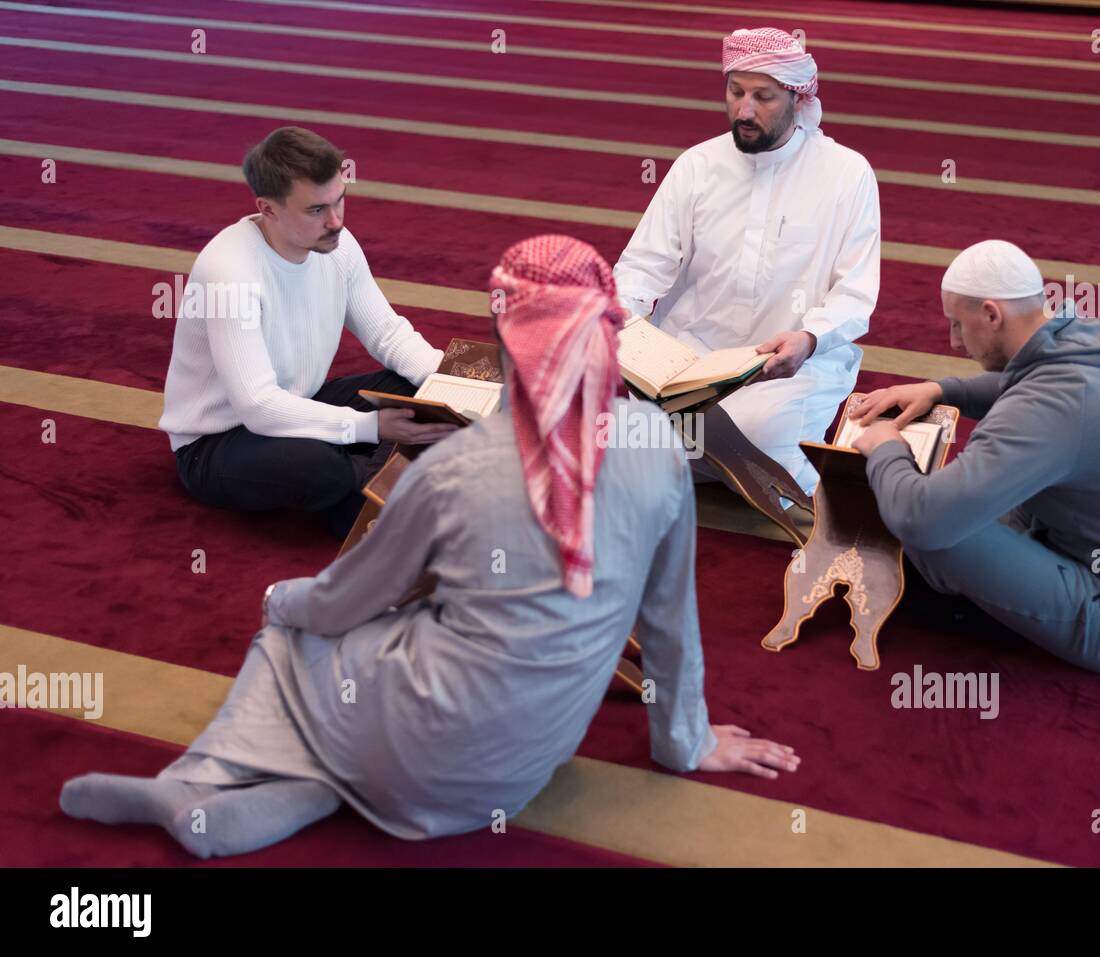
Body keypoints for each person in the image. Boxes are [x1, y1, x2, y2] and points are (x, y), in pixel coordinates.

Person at [61, 235, 798, 858]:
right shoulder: (660, 451)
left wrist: (277, 596)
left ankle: (203, 779)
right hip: (517, 773)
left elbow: (341, 600)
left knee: (291, 636)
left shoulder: (451, 469)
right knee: (391, 652)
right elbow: (669, 622)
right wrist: (686, 742)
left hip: (423, 737)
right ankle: (306, 789)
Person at [849, 239, 1100, 675]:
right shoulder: (1081, 343)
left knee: (936, 530)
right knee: (971, 498)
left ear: (991, 314)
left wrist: (886, 449)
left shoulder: (1054, 404)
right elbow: (1023, 385)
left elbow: (924, 519)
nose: (952, 341)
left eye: (957, 324)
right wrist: (942, 390)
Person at [613, 27, 881, 495]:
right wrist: (618, 325)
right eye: (735, 92)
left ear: (798, 100)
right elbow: (640, 268)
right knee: (619, 436)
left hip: (788, 367)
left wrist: (809, 338)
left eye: (764, 97)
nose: (745, 110)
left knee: (756, 438)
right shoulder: (698, 165)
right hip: (688, 363)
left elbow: (854, 292)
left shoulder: (846, 174)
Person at [159, 126, 453, 539]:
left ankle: (372, 492)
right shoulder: (229, 274)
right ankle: (377, 486)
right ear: (269, 209)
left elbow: (387, 333)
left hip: (300, 402)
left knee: (417, 390)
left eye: (340, 201)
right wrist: (370, 428)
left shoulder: (338, 244)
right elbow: (258, 407)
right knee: (312, 464)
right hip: (218, 444)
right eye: (316, 210)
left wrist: (452, 386)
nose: (336, 221)